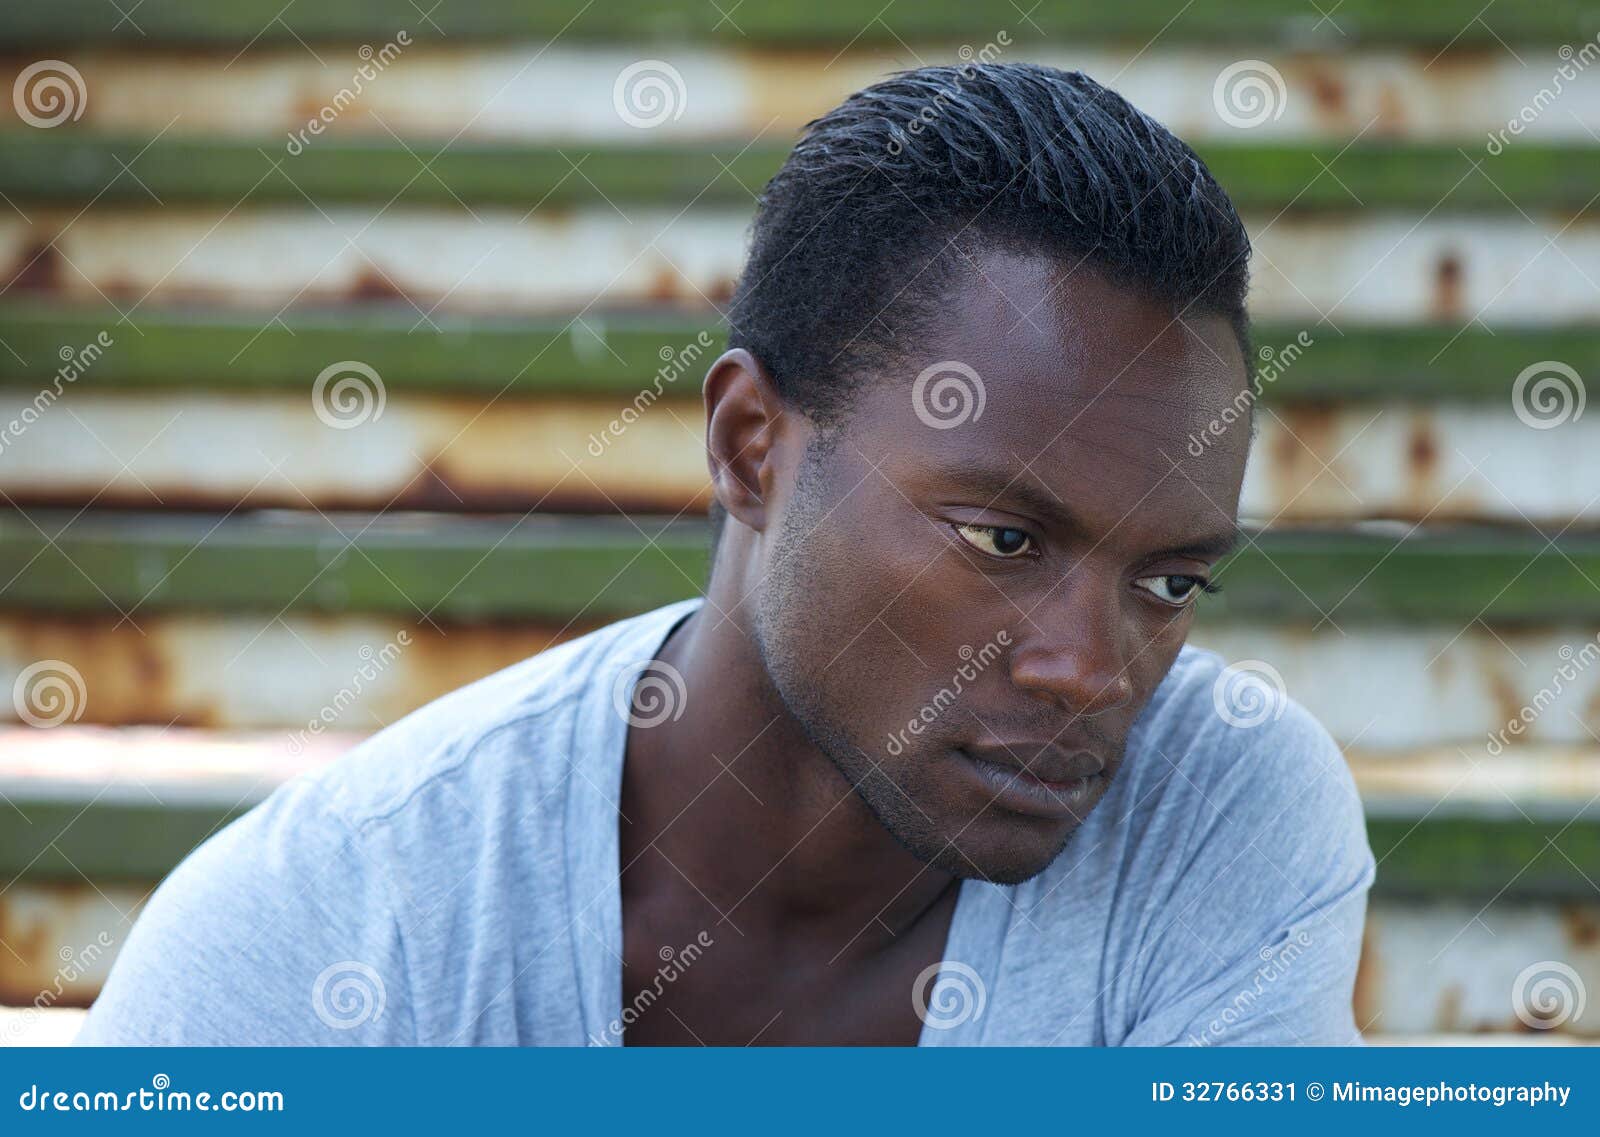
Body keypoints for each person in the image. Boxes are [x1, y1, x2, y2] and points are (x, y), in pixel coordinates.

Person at [79, 63, 1372, 1047]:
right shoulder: (332, 932)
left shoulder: (1216, 814)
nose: (1092, 670)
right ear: (753, 444)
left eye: (1171, 581)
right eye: (1004, 537)